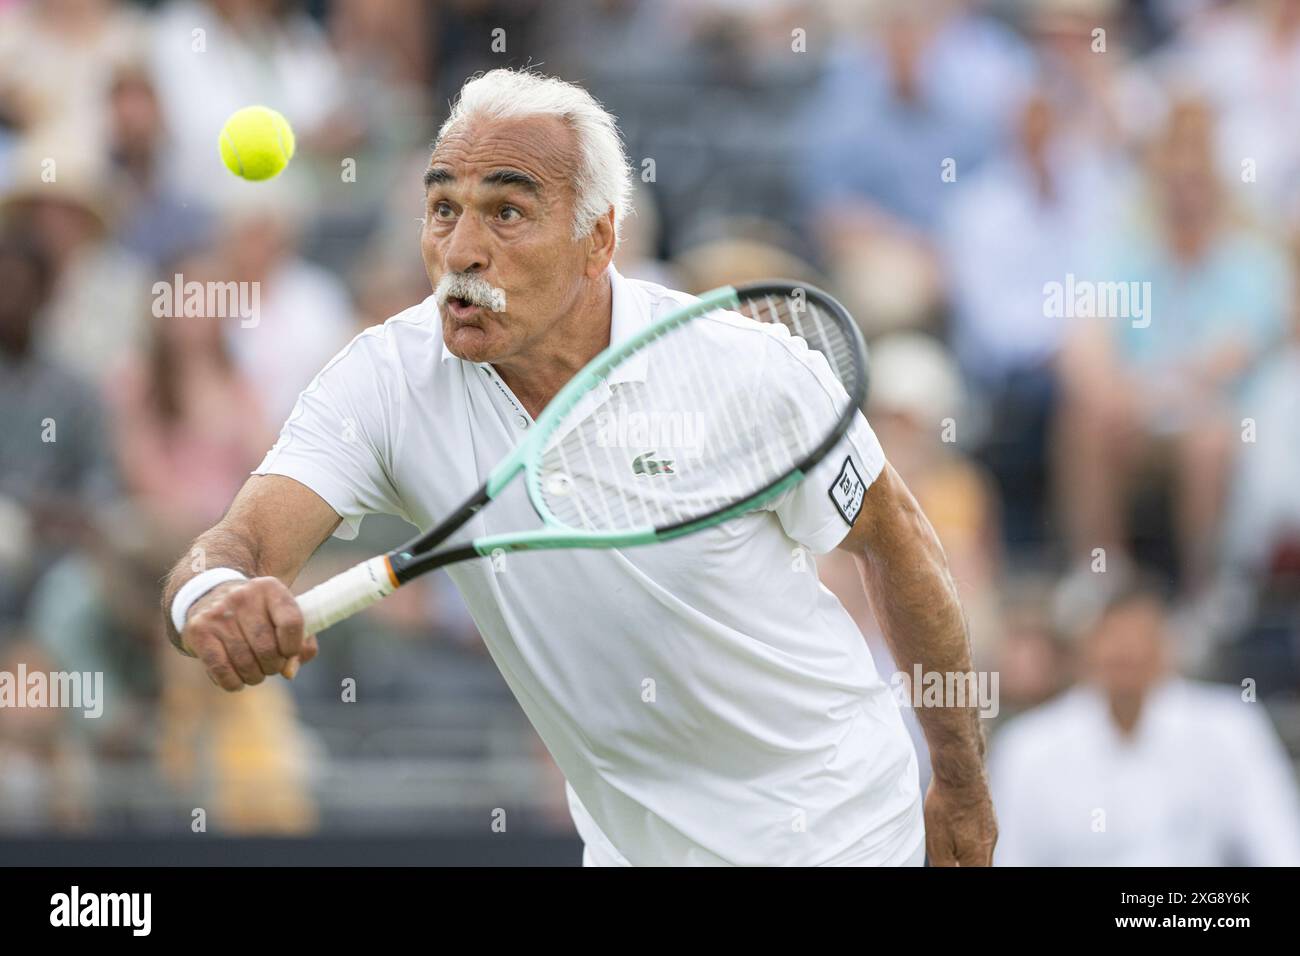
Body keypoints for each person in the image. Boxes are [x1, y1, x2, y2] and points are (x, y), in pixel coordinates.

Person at [159, 69, 994, 867]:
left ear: (598, 240)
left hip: (835, 833)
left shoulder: (743, 366)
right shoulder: (385, 379)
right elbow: (238, 543)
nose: (463, 249)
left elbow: (899, 543)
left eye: (507, 212)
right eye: (442, 208)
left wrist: (959, 782)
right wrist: (215, 598)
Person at [990, 572, 1300, 866]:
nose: (1126, 652)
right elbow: (1009, 858)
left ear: (1166, 644)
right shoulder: (1026, 748)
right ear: (1086, 649)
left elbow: (1280, 847)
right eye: (1113, 637)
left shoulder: (1232, 727)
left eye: (1139, 636)